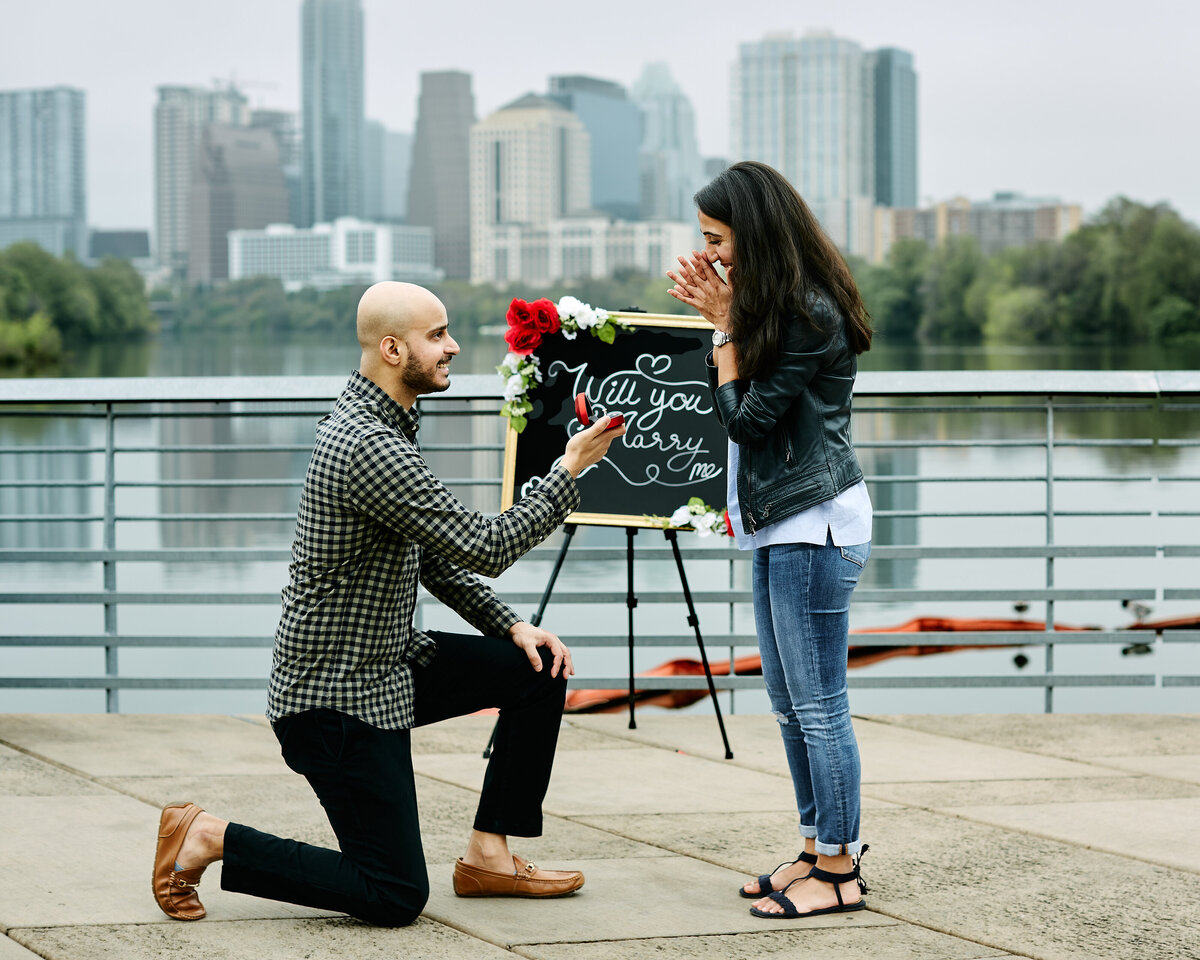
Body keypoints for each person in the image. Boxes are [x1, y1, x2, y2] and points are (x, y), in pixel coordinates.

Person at [151, 281, 625, 926]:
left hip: (389, 669)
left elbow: (431, 558)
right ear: (394, 348)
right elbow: (484, 547)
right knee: (393, 894)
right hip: (335, 703)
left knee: (537, 670)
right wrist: (567, 471)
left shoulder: (382, 427)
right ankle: (208, 836)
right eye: (438, 336)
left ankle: (489, 855)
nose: (453, 347)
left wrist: (512, 625)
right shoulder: (367, 445)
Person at [667, 161, 874, 920]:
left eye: (718, 240)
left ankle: (840, 870)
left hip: (813, 528)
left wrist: (723, 326)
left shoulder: (809, 313)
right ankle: (815, 844)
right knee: (789, 705)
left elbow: (750, 421)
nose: (712, 254)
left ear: (752, 233)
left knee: (819, 705)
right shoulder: (779, 309)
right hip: (778, 527)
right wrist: (727, 319)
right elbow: (748, 393)